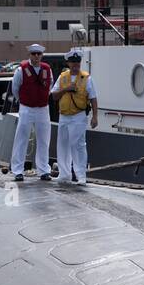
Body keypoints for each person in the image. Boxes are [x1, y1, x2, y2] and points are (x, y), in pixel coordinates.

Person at [51, 48, 99, 185]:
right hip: (64, 115)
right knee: (63, 145)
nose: (75, 65)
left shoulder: (86, 78)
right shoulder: (62, 77)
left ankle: (81, 175)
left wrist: (95, 116)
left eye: (77, 62)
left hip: (78, 115)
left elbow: (93, 98)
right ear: (68, 63)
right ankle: (64, 174)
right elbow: (54, 96)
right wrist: (66, 89)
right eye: (73, 62)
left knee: (78, 145)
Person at [9, 44, 53, 182]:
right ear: (30, 55)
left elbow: (50, 85)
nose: (36, 56)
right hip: (27, 108)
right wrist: (23, 101)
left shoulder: (47, 69)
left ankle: (44, 170)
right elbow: (15, 88)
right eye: (34, 54)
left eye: (39, 54)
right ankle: (17, 170)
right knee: (21, 139)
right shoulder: (21, 70)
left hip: (43, 108)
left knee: (44, 140)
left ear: (42, 55)